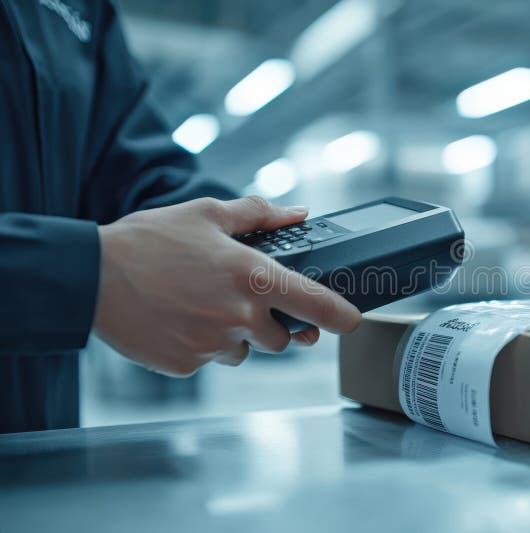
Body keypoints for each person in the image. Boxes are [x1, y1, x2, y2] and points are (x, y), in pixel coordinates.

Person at [0, 0, 361, 434]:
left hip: (39, 453)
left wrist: (244, 239)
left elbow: (137, 170)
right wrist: (83, 274)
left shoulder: (83, 10)